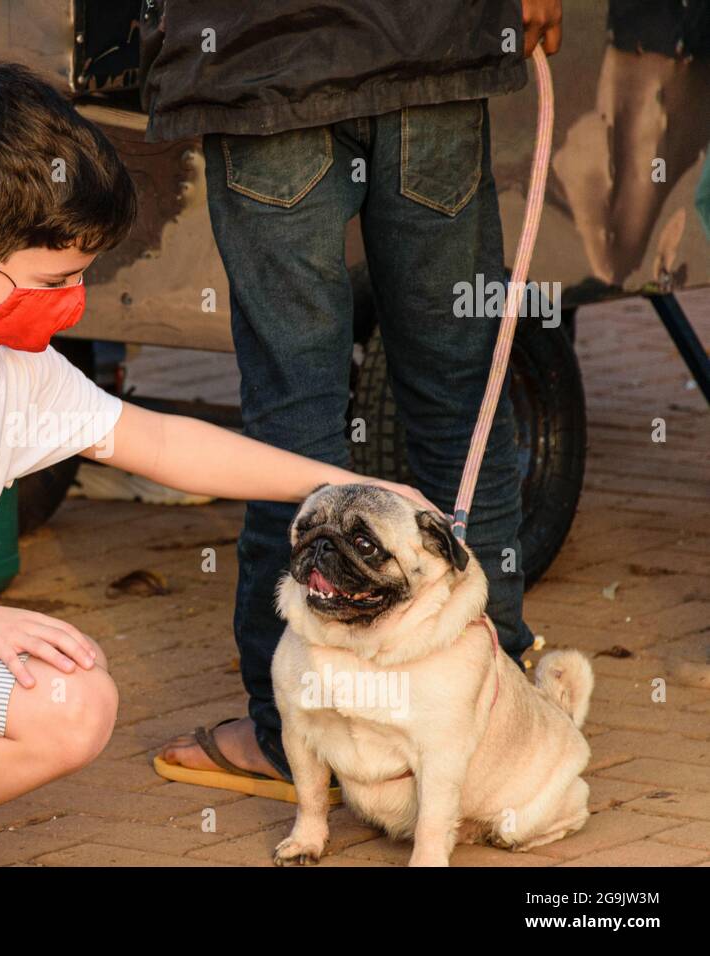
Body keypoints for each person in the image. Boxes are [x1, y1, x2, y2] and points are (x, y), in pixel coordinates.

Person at [0, 61, 433, 867]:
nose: (73, 299)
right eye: (56, 278)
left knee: (50, 667)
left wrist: (334, 487)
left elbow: (159, 445)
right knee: (72, 701)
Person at [142, 1, 562, 799]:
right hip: (426, 42)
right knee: (458, 398)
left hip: (263, 54)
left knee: (292, 419)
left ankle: (288, 737)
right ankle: (489, 697)